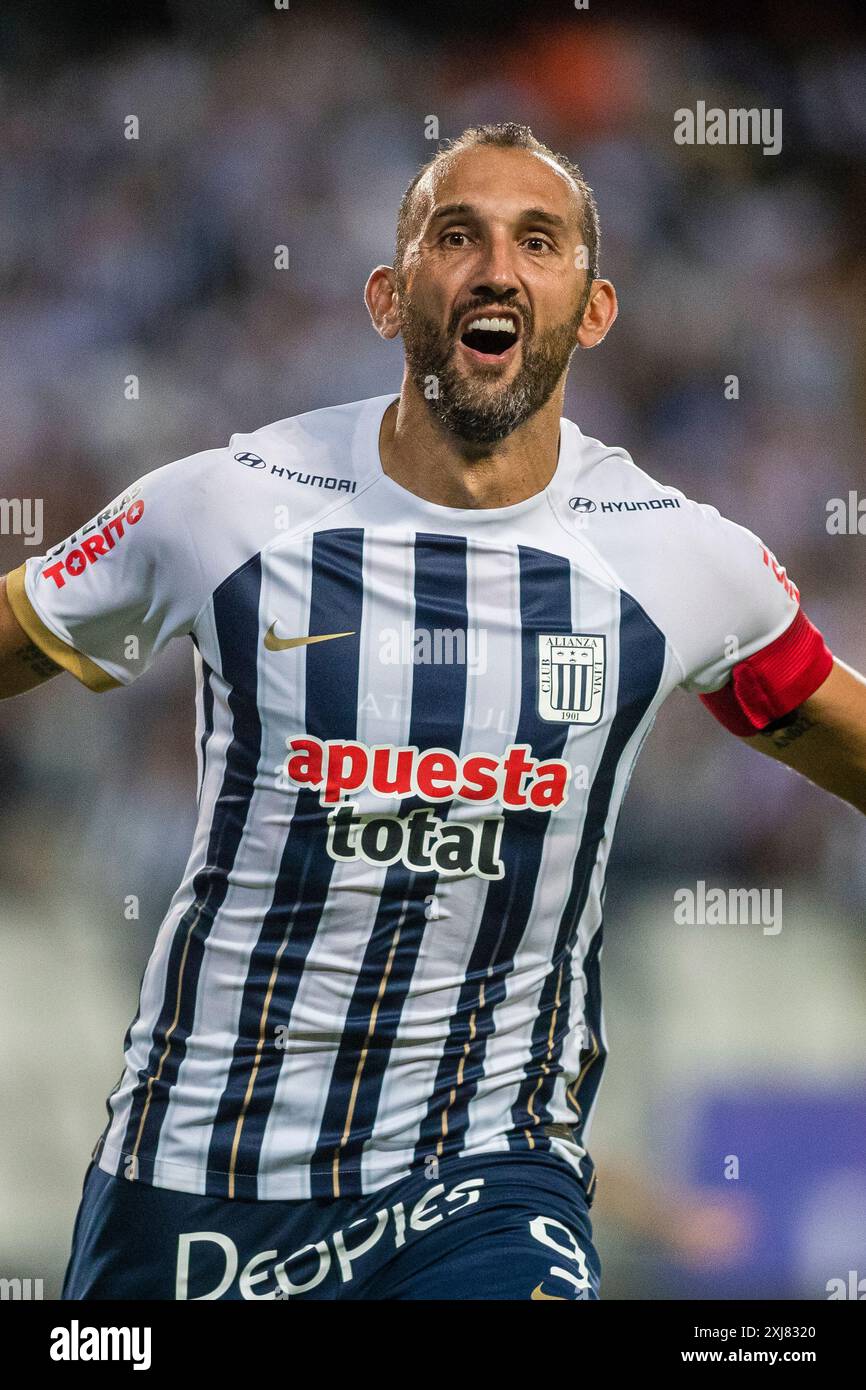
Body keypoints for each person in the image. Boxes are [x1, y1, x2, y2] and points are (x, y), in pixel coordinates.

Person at [1, 124, 864, 1301]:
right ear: (387, 292)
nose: (494, 267)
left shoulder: (677, 561)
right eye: (453, 235)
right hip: (191, 1176)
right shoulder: (221, 507)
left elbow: (821, 720)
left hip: (485, 1184)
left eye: (537, 240)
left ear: (594, 308)